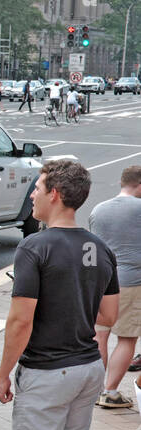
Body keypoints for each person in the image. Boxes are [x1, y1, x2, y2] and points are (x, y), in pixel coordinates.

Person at [0, 159, 119, 430]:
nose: (31, 193)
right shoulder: (99, 247)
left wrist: (3, 373)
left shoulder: (35, 248)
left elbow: (19, 321)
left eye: (37, 186)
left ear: (55, 194)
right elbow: (109, 313)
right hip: (88, 367)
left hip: (48, 370)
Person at [88, 166, 141, 409]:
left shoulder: (98, 210)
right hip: (131, 282)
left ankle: (94, 391)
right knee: (127, 337)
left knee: (100, 335)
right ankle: (110, 392)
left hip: (101, 282)